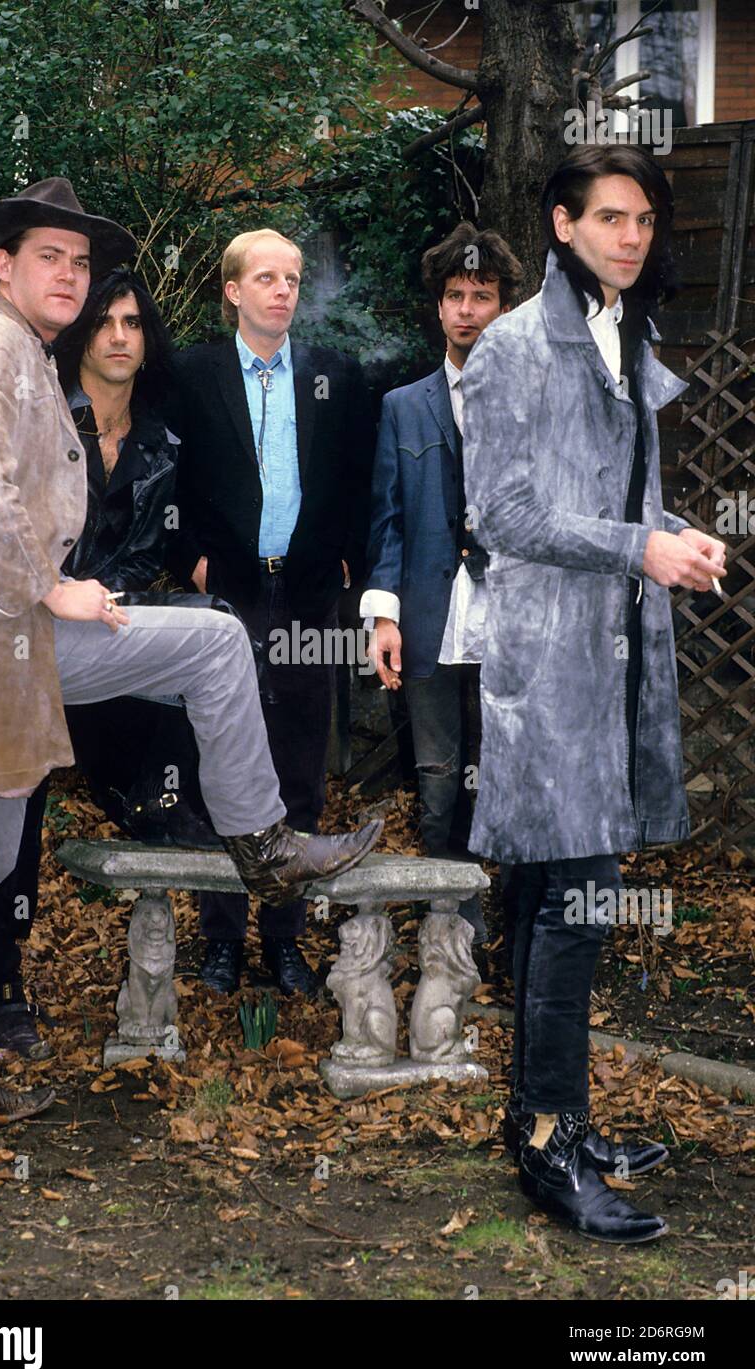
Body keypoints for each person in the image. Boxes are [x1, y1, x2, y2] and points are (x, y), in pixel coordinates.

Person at [0, 179, 381, 1124]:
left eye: (80, 263)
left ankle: (262, 841)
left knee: (208, 647)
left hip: (24, 645)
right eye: (50, 258)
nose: (70, 277)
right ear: (4, 265)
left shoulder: (26, 351)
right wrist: (52, 584)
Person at [460, 146, 726, 1242]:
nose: (632, 236)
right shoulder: (516, 345)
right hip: (552, 664)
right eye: (610, 217)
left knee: (568, 898)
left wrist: (673, 538)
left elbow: (620, 497)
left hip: (614, 652)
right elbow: (503, 517)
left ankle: (547, 1116)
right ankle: (548, 1148)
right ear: (562, 225)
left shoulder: (626, 334)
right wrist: (638, 547)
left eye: (645, 221)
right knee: (572, 903)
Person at [0, 266, 213, 1060]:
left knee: (207, 653)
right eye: (104, 320)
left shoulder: (163, 436)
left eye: (134, 322)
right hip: (13, 635)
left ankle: (197, 851)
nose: (118, 335)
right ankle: (2, 998)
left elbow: (157, 550)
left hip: (94, 632)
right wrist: (55, 591)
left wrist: (112, 604)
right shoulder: (25, 389)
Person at [167, 229, 374, 997]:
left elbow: (360, 478)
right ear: (232, 290)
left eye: (292, 279)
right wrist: (188, 560)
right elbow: (170, 475)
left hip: (310, 595)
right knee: (219, 765)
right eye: (266, 278)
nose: (283, 290)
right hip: (227, 595)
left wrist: (348, 557)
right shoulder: (192, 374)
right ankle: (221, 939)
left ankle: (286, 940)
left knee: (298, 767)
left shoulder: (334, 376)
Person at [361, 223, 524, 965]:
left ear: (502, 305)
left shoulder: (531, 399)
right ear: (437, 308)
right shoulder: (405, 405)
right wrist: (383, 617)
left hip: (511, 612)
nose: (467, 310)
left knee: (505, 767)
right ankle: (445, 920)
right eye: (455, 296)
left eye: (481, 297)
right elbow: (388, 520)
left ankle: (509, 925)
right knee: (435, 771)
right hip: (429, 609)